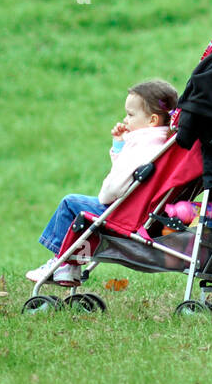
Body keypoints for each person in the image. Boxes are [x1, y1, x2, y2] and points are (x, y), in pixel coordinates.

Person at [26, 79, 179, 284]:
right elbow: (131, 176)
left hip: (125, 214)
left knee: (71, 203)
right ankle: (68, 265)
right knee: (79, 210)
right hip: (144, 213)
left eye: (131, 114)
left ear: (152, 120)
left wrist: (105, 194)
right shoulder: (164, 143)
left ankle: (62, 263)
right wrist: (119, 147)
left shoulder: (142, 147)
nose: (125, 119)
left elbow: (112, 190)